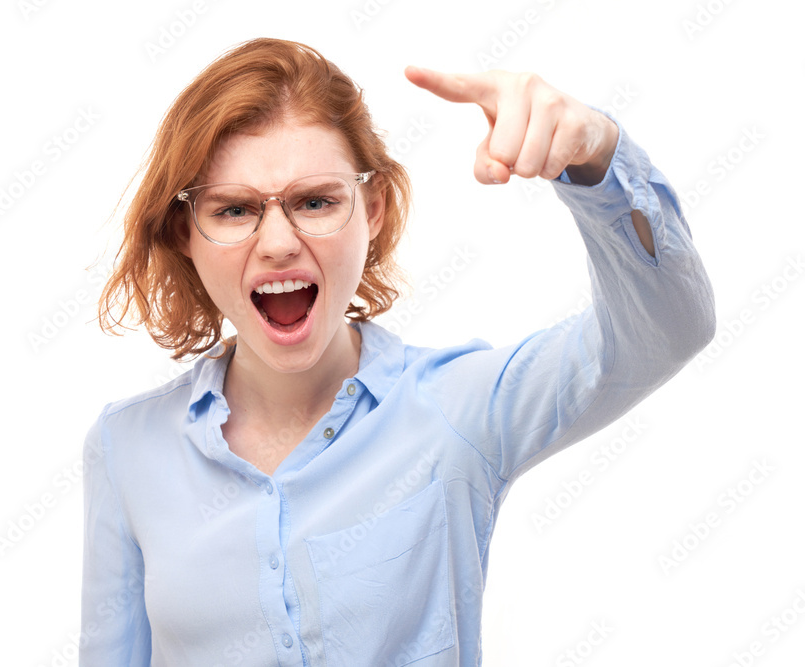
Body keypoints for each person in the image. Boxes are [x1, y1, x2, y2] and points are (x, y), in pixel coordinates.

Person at [80, 37, 715, 666]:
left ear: (373, 208)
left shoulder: (455, 410)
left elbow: (668, 329)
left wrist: (596, 158)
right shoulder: (127, 446)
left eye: (316, 201)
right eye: (234, 209)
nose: (277, 243)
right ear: (184, 231)